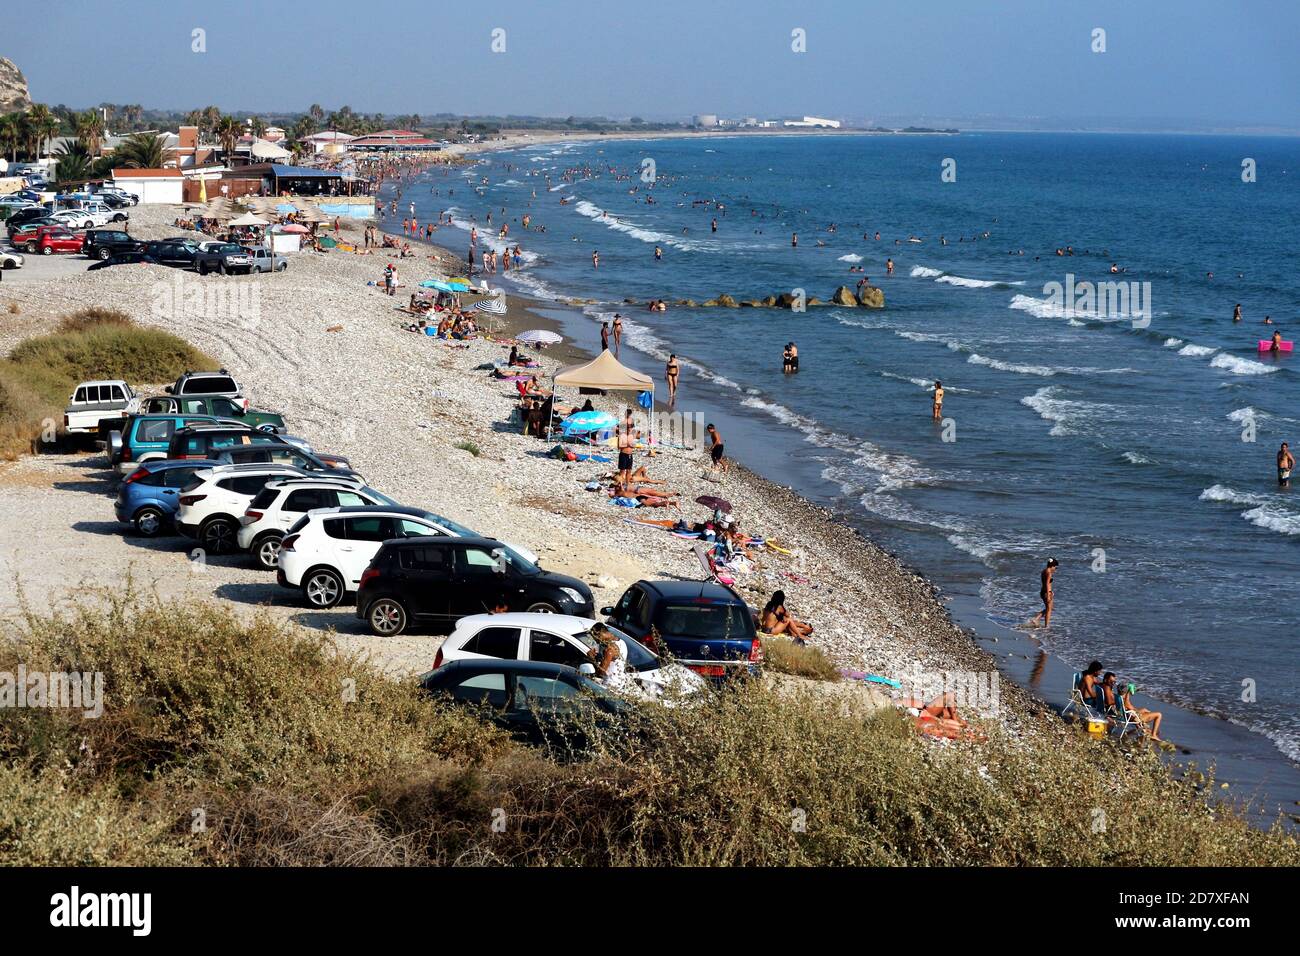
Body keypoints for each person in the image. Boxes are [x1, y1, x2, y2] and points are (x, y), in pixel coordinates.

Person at [1029, 557, 1059, 628]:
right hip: (1046, 592)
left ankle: (1036, 619)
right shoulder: (1049, 573)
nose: (1055, 569)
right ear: (1052, 566)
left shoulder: (1044, 571)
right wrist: (1049, 594)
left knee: (1050, 608)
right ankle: (1046, 626)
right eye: (1055, 567)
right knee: (1049, 610)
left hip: (1043, 592)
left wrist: (1050, 592)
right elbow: (1047, 584)